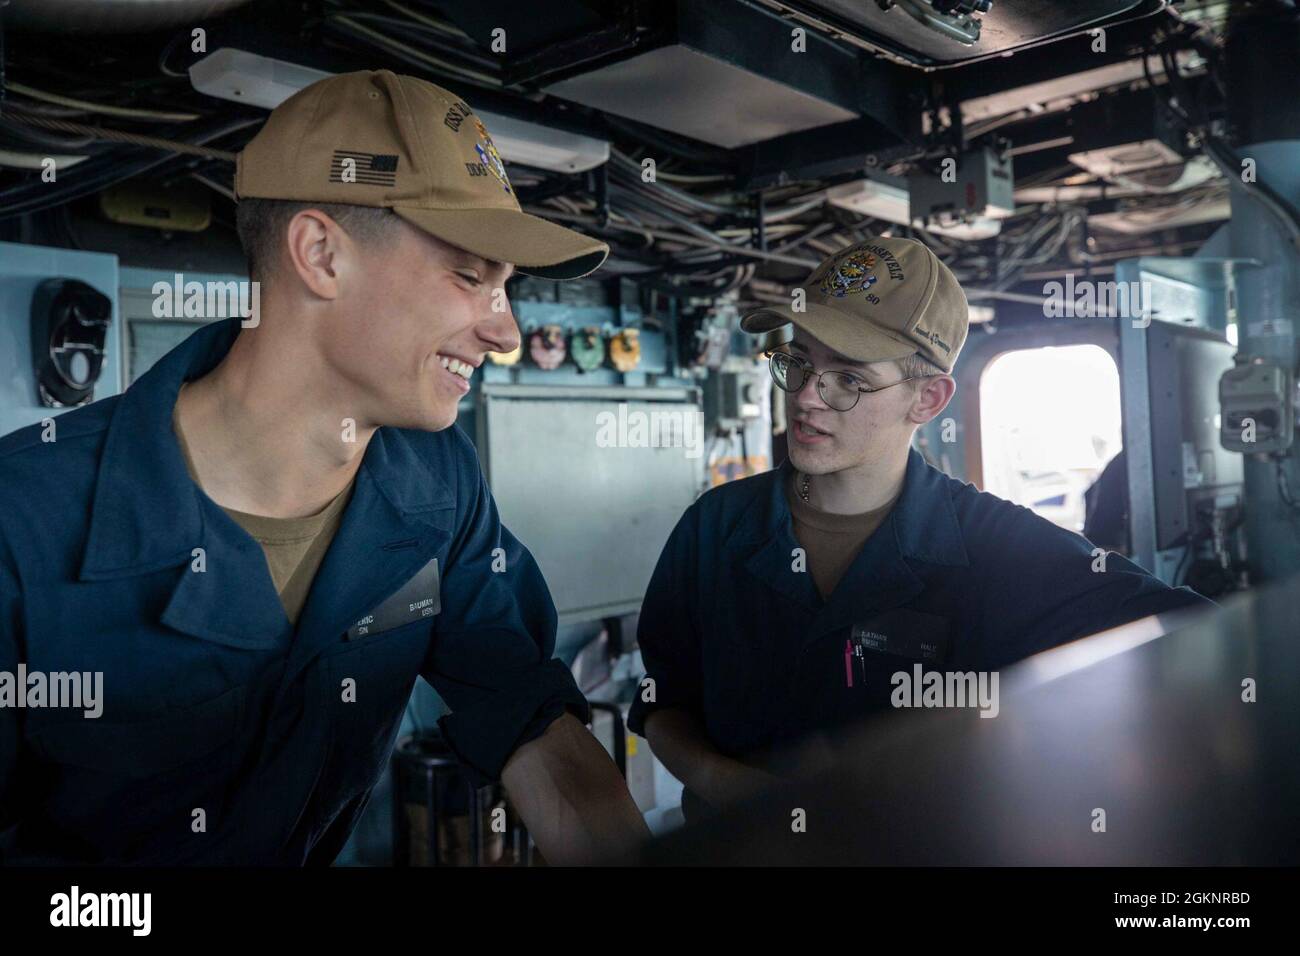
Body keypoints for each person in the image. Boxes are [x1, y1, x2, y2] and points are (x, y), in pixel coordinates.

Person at [0, 70, 647, 865]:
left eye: (504, 289)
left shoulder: (439, 485)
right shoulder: (22, 526)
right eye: (470, 277)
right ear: (320, 254)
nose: (504, 332)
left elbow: (526, 713)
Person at [627, 236, 1212, 822]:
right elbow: (663, 698)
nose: (806, 397)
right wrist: (730, 789)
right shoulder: (714, 527)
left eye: (849, 379)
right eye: (798, 360)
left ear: (928, 399)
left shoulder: (1001, 550)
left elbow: (1205, 638)